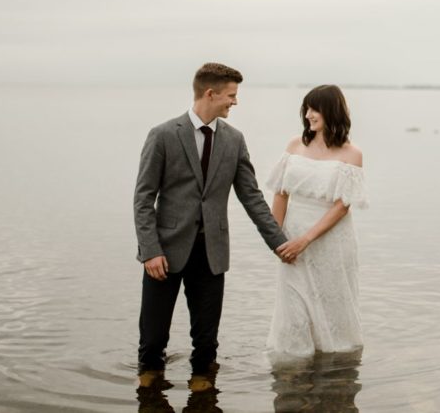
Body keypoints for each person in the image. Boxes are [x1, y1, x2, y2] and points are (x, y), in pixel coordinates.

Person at [133, 62, 290, 379]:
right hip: (164, 254)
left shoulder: (234, 140)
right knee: (152, 344)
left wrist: (280, 242)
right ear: (210, 93)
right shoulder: (163, 135)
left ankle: (204, 397)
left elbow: (252, 197)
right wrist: (150, 250)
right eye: (231, 95)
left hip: (211, 254)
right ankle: (149, 397)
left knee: (206, 347)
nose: (235, 101)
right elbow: (143, 198)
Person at [265, 84, 368, 362]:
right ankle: (292, 370)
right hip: (291, 237)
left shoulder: (352, 153)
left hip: (331, 241)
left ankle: (334, 368)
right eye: (306, 108)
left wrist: (306, 239)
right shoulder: (295, 145)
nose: (309, 114)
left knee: (332, 302)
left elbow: (342, 206)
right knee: (294, 307)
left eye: (315, 109)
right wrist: (276, 239)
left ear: (331, 111)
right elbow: (281, 193)